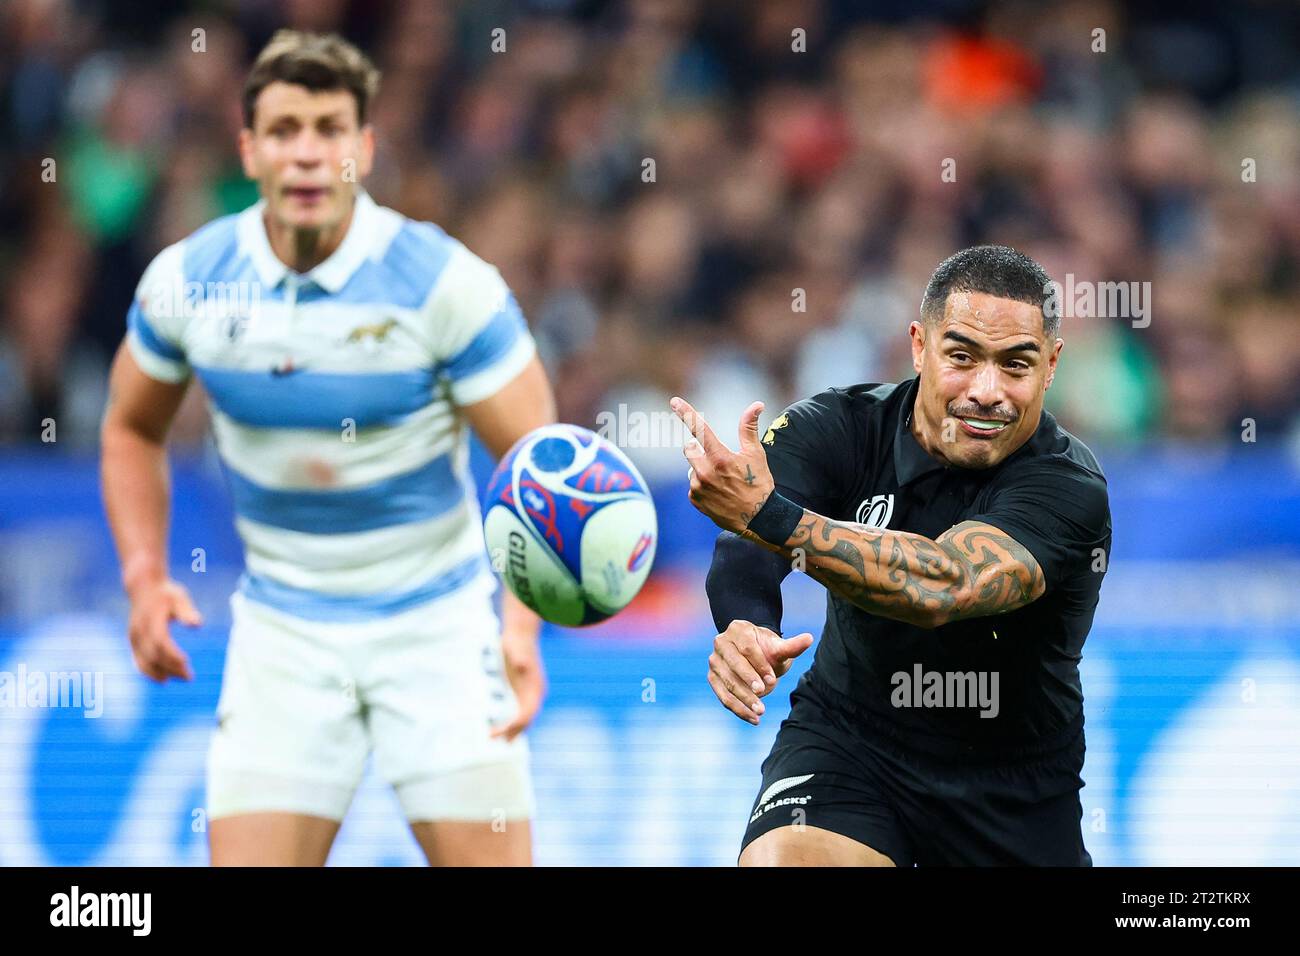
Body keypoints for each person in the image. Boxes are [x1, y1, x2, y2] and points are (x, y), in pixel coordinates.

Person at [100, 30, 554, 866]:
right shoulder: (189, 282)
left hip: (440, 628)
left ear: (364, 148)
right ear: (249, 148)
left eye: (328, 129)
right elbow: (130, 427)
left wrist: (519, 627)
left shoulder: (445, 284)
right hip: (285, 631)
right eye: (283, 131)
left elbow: (539, 465)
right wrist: (143, 578)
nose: (307, 154)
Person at [672, 245, 1111, 866]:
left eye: (1016, 365)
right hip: (850, 745)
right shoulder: (838, 426)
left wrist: (768, 514)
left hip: (1012, 794)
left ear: (1051, 366)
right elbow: (749, 545)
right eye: (961, 357)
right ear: (918, 346)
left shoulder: (1068, 488)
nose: (987, 391)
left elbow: (942, 585)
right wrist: (746, 622)